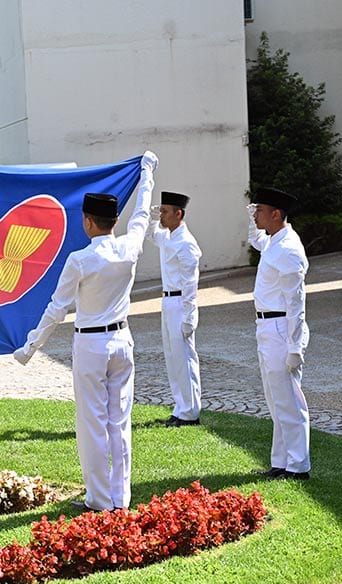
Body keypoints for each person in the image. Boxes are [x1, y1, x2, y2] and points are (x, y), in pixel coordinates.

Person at [13, 151, 158, 512]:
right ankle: (120, 498)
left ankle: (98, 499)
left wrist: (31, 346)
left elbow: (56, 308)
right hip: (122, 339)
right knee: (119, 421)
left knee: (93, 423)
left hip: (92, 343)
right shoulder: (128, 247)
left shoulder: (79, 259)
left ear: (89, 222)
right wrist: (147, 174)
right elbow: (141, 215)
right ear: (114, 220)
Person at [247, 187, 311, 481]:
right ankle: (281, 461)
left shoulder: (288, 249)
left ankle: (298, 466)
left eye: (259, 210)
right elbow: (255, 239)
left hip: (281, 327)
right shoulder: (275, 240)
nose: (255, 214)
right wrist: (250, 218)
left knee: (289, 400)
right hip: (267, 326)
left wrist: (295, 346)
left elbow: (296, 304)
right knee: (276, 399)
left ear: (275, 214)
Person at [147, 191, 203, 427]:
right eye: (160, 211)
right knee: (173, 358)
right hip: (168, 301)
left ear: (178, 214)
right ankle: (180, 408)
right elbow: (150, 234)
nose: (161, 215)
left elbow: (191, 285)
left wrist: (190, 316)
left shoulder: (186, 243)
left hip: (180, 303)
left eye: (165, 211)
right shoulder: (168, 237)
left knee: (184, 358)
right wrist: (152, 217)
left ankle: (190, 412)